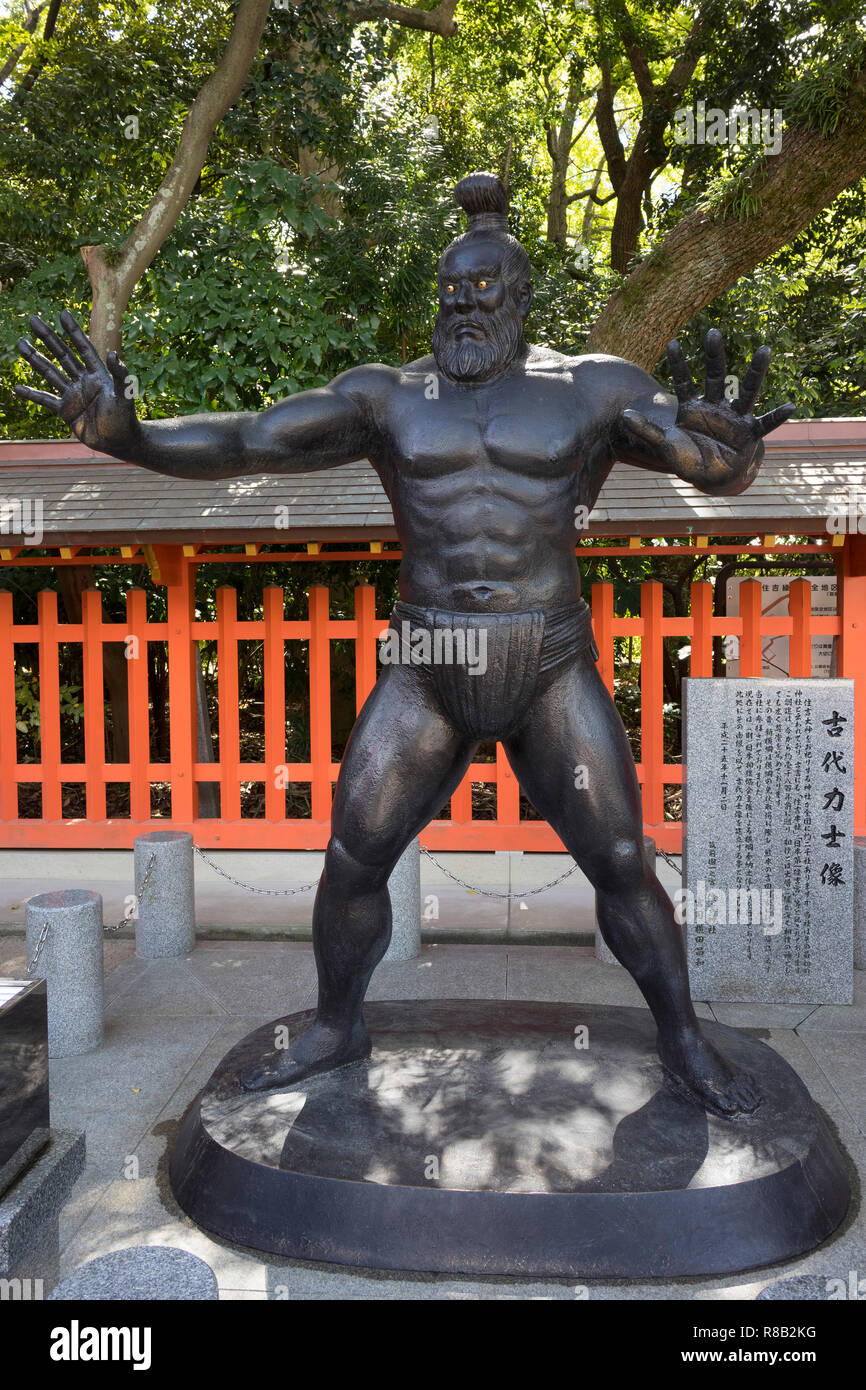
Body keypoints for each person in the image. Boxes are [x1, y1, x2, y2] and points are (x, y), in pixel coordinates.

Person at [15, 172, 794, 1115]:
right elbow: (253, 439)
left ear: (521, 297)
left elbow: (699, 451)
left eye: (483, 292)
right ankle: (337, 1023)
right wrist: (130, 437)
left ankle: (685, 1042)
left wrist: (731, 458)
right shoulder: (389, 398)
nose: (463, 308)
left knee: (623, 862)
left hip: (546, 661)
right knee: (354, 856)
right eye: (450, 293)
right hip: (428, 665)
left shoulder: (591, 391)